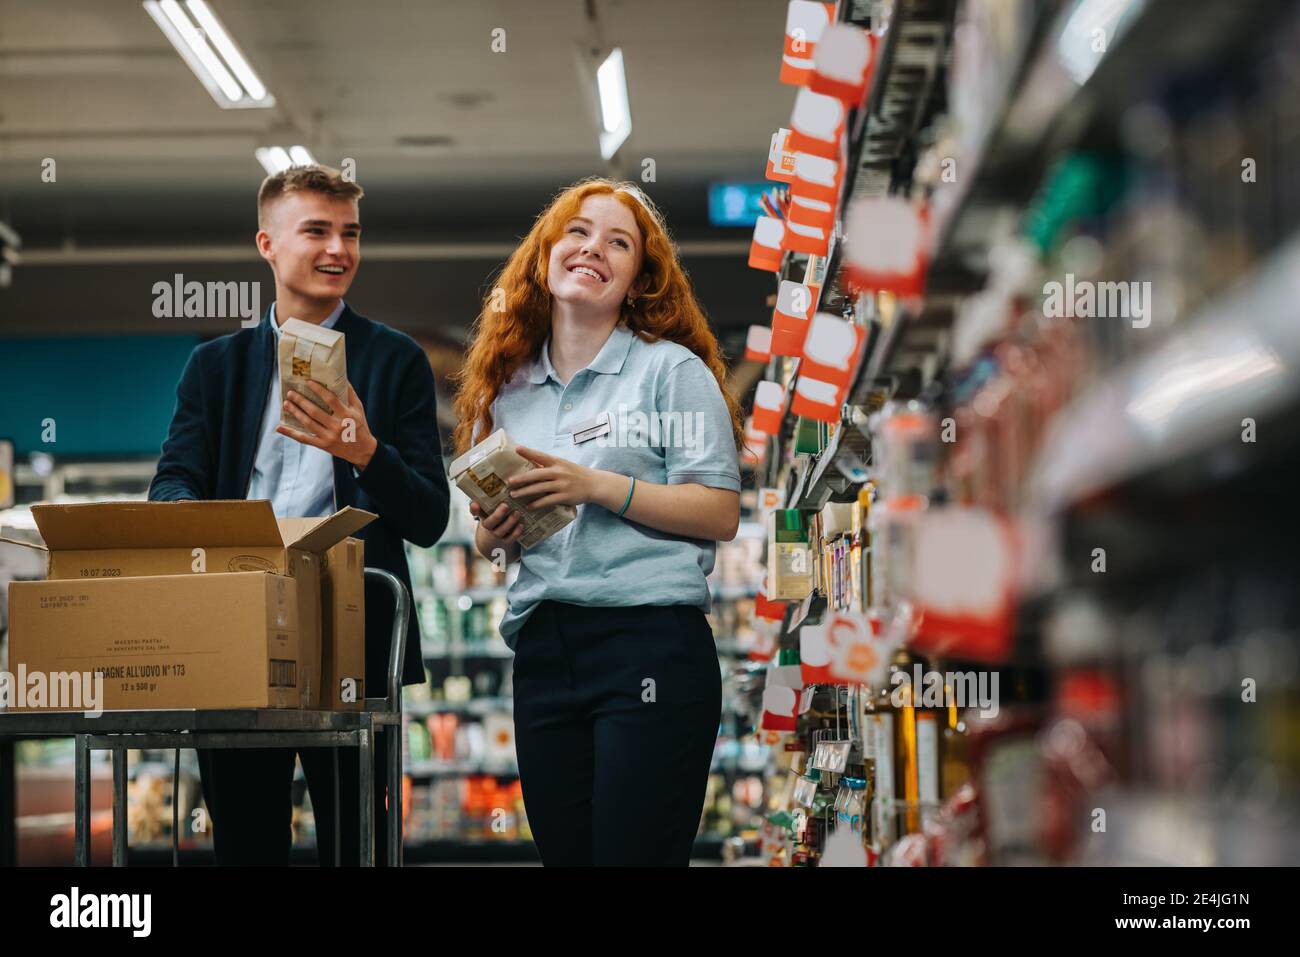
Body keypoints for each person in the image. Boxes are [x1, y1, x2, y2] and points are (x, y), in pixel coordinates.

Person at [149, 163, 450, 865]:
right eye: (316, 230)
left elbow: (429, 517)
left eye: (350, 233)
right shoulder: (214, 367)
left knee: (355, 838)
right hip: (235, 627)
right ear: (267, 243)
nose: (338, 249)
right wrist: (202, 530)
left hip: (352, 629)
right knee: (246, 838)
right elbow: (174, 479)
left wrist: (367, 449)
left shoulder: (395, 360)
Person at [453, 177, 743, 866]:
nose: (593, 248)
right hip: (545, 650)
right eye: (578, 231)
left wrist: (598, 485)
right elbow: (486, 540)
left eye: (619, 241)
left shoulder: (670, 372)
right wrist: (495, 526)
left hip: (650, 646)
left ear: (639, 278)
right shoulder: (507, 385)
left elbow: (720, 509)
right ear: (545, 254)